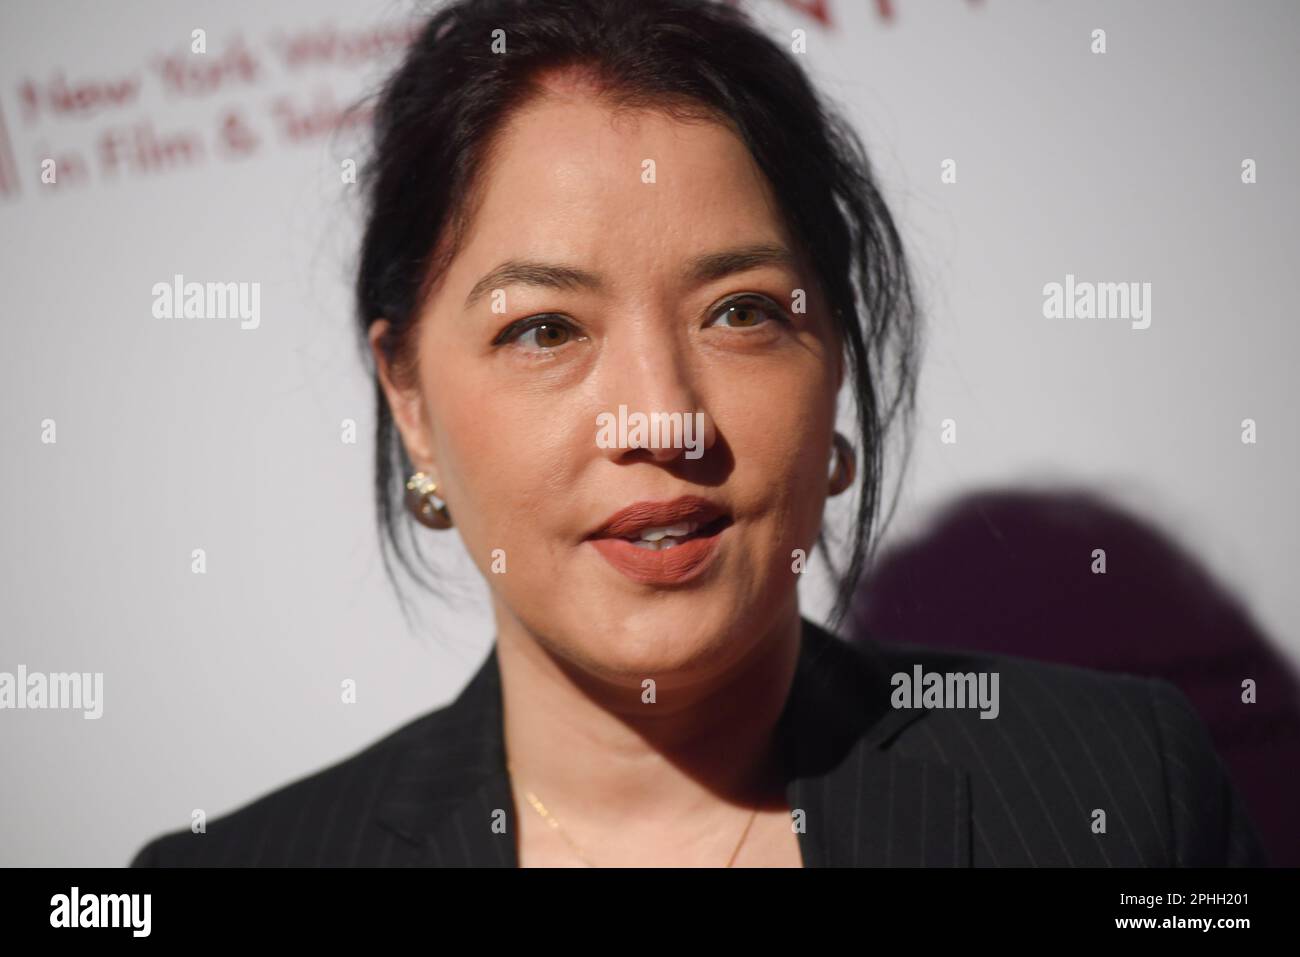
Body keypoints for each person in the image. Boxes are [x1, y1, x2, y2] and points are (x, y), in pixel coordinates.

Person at [130, 0, 1264, 867]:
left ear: (836, 370)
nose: (661, 418)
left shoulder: (1112, 796)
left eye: (742, 313)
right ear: (411, 403)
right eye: (543, 329)